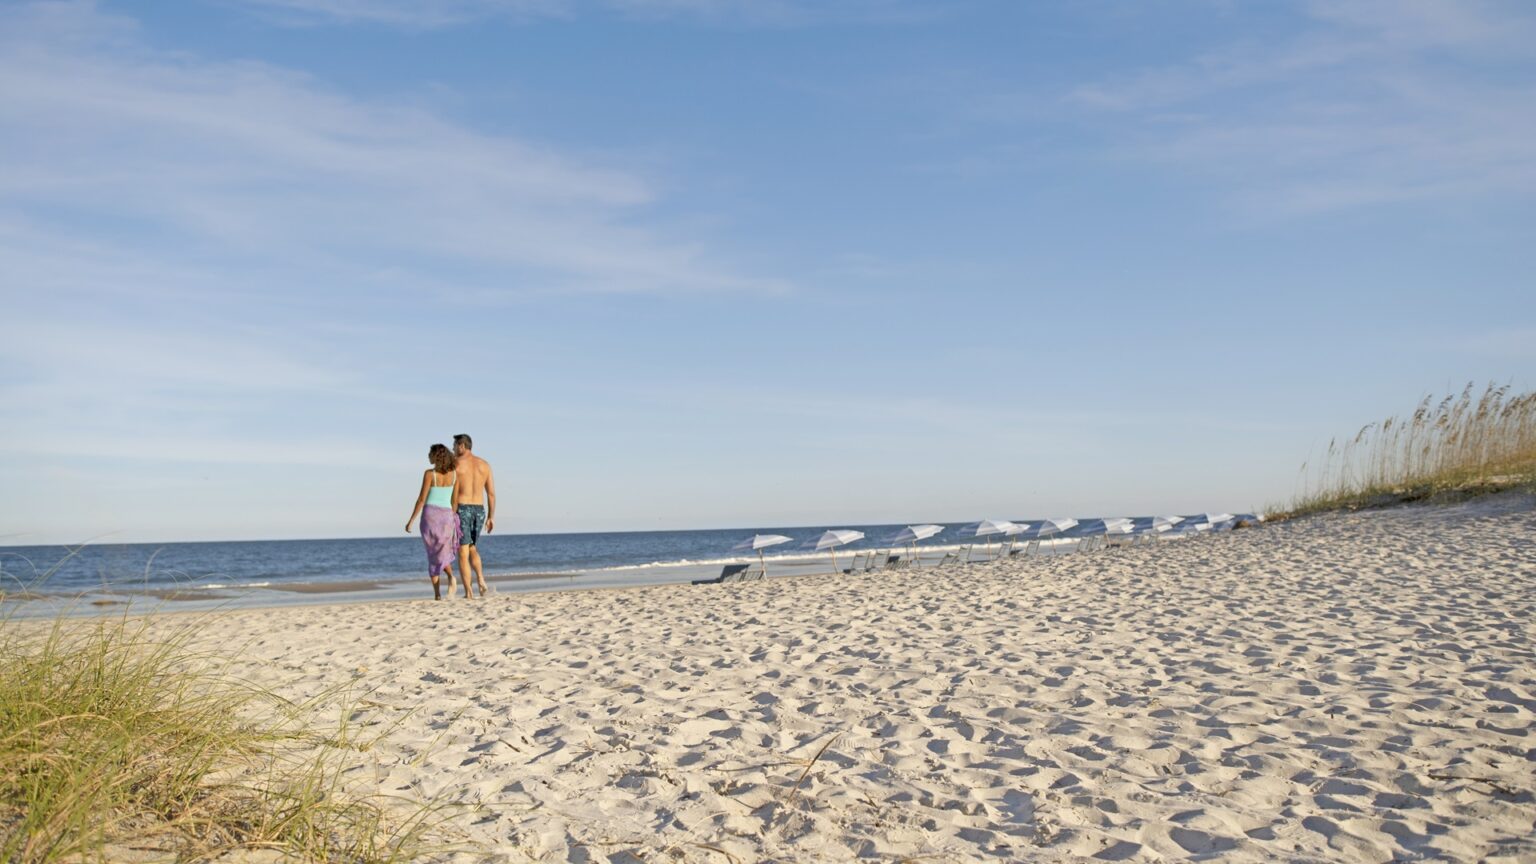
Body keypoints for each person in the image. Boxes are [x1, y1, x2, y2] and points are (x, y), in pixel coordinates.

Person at [404, 443, 463, 600]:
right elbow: (454, 501)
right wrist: (453, 517)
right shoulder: (455, 475)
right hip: (447, 517)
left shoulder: (430, 474)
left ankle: (437, 594)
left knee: (433, 554)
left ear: (436, 456)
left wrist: (411, 520)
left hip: (430, 517)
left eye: (430, 453)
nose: (428, 456)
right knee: (443, 552)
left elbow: (421, 499)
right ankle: (451, 576)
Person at [452, 433, 495, 598]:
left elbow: (452, 492)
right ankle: (481, 579)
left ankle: (468, 592)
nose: (453, 449)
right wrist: (491, 516)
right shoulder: (484, 465)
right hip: (480, 510)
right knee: (472, 547)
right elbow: (491, 494)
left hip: (463, 508)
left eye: (455, 445)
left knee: (463, 551)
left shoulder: (455, 464)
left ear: (462, 446)